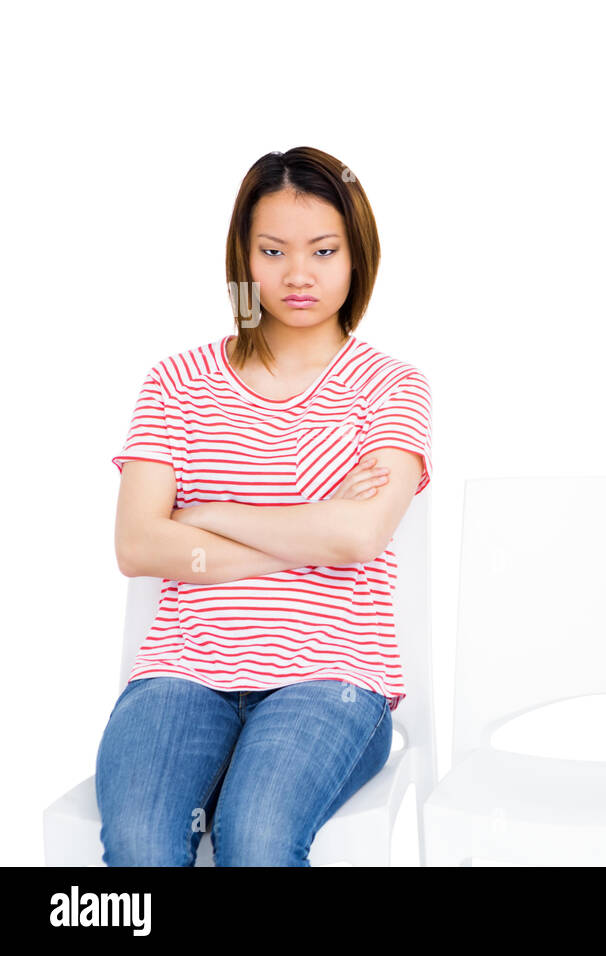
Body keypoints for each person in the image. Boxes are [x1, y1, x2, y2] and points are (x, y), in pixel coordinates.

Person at [97, 147, 433, 866]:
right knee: (141, 847)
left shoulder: (390, 386)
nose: (298, 274)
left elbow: (355, 538)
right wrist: (307, 526)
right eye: (273, 250)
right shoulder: (178, 381)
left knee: (258, 840)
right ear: (244, 260)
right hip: (183, 671)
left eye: (323, 250)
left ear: (355, 255)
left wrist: (207, 512)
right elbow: (136, 546)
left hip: (333, 676)